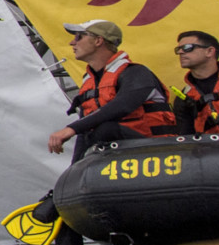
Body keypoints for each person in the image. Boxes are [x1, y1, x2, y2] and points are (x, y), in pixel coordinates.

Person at [46, 19, 174, 159]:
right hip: (118, 154)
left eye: (79, 37)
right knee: (92, 135)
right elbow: (84, 133)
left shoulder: (136, 72)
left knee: (106, 129)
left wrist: (72, 128)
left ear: (98, 41)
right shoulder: (89, 81)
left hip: (156, 153)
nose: (72, 42)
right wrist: (75, 167)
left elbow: (121, 106)